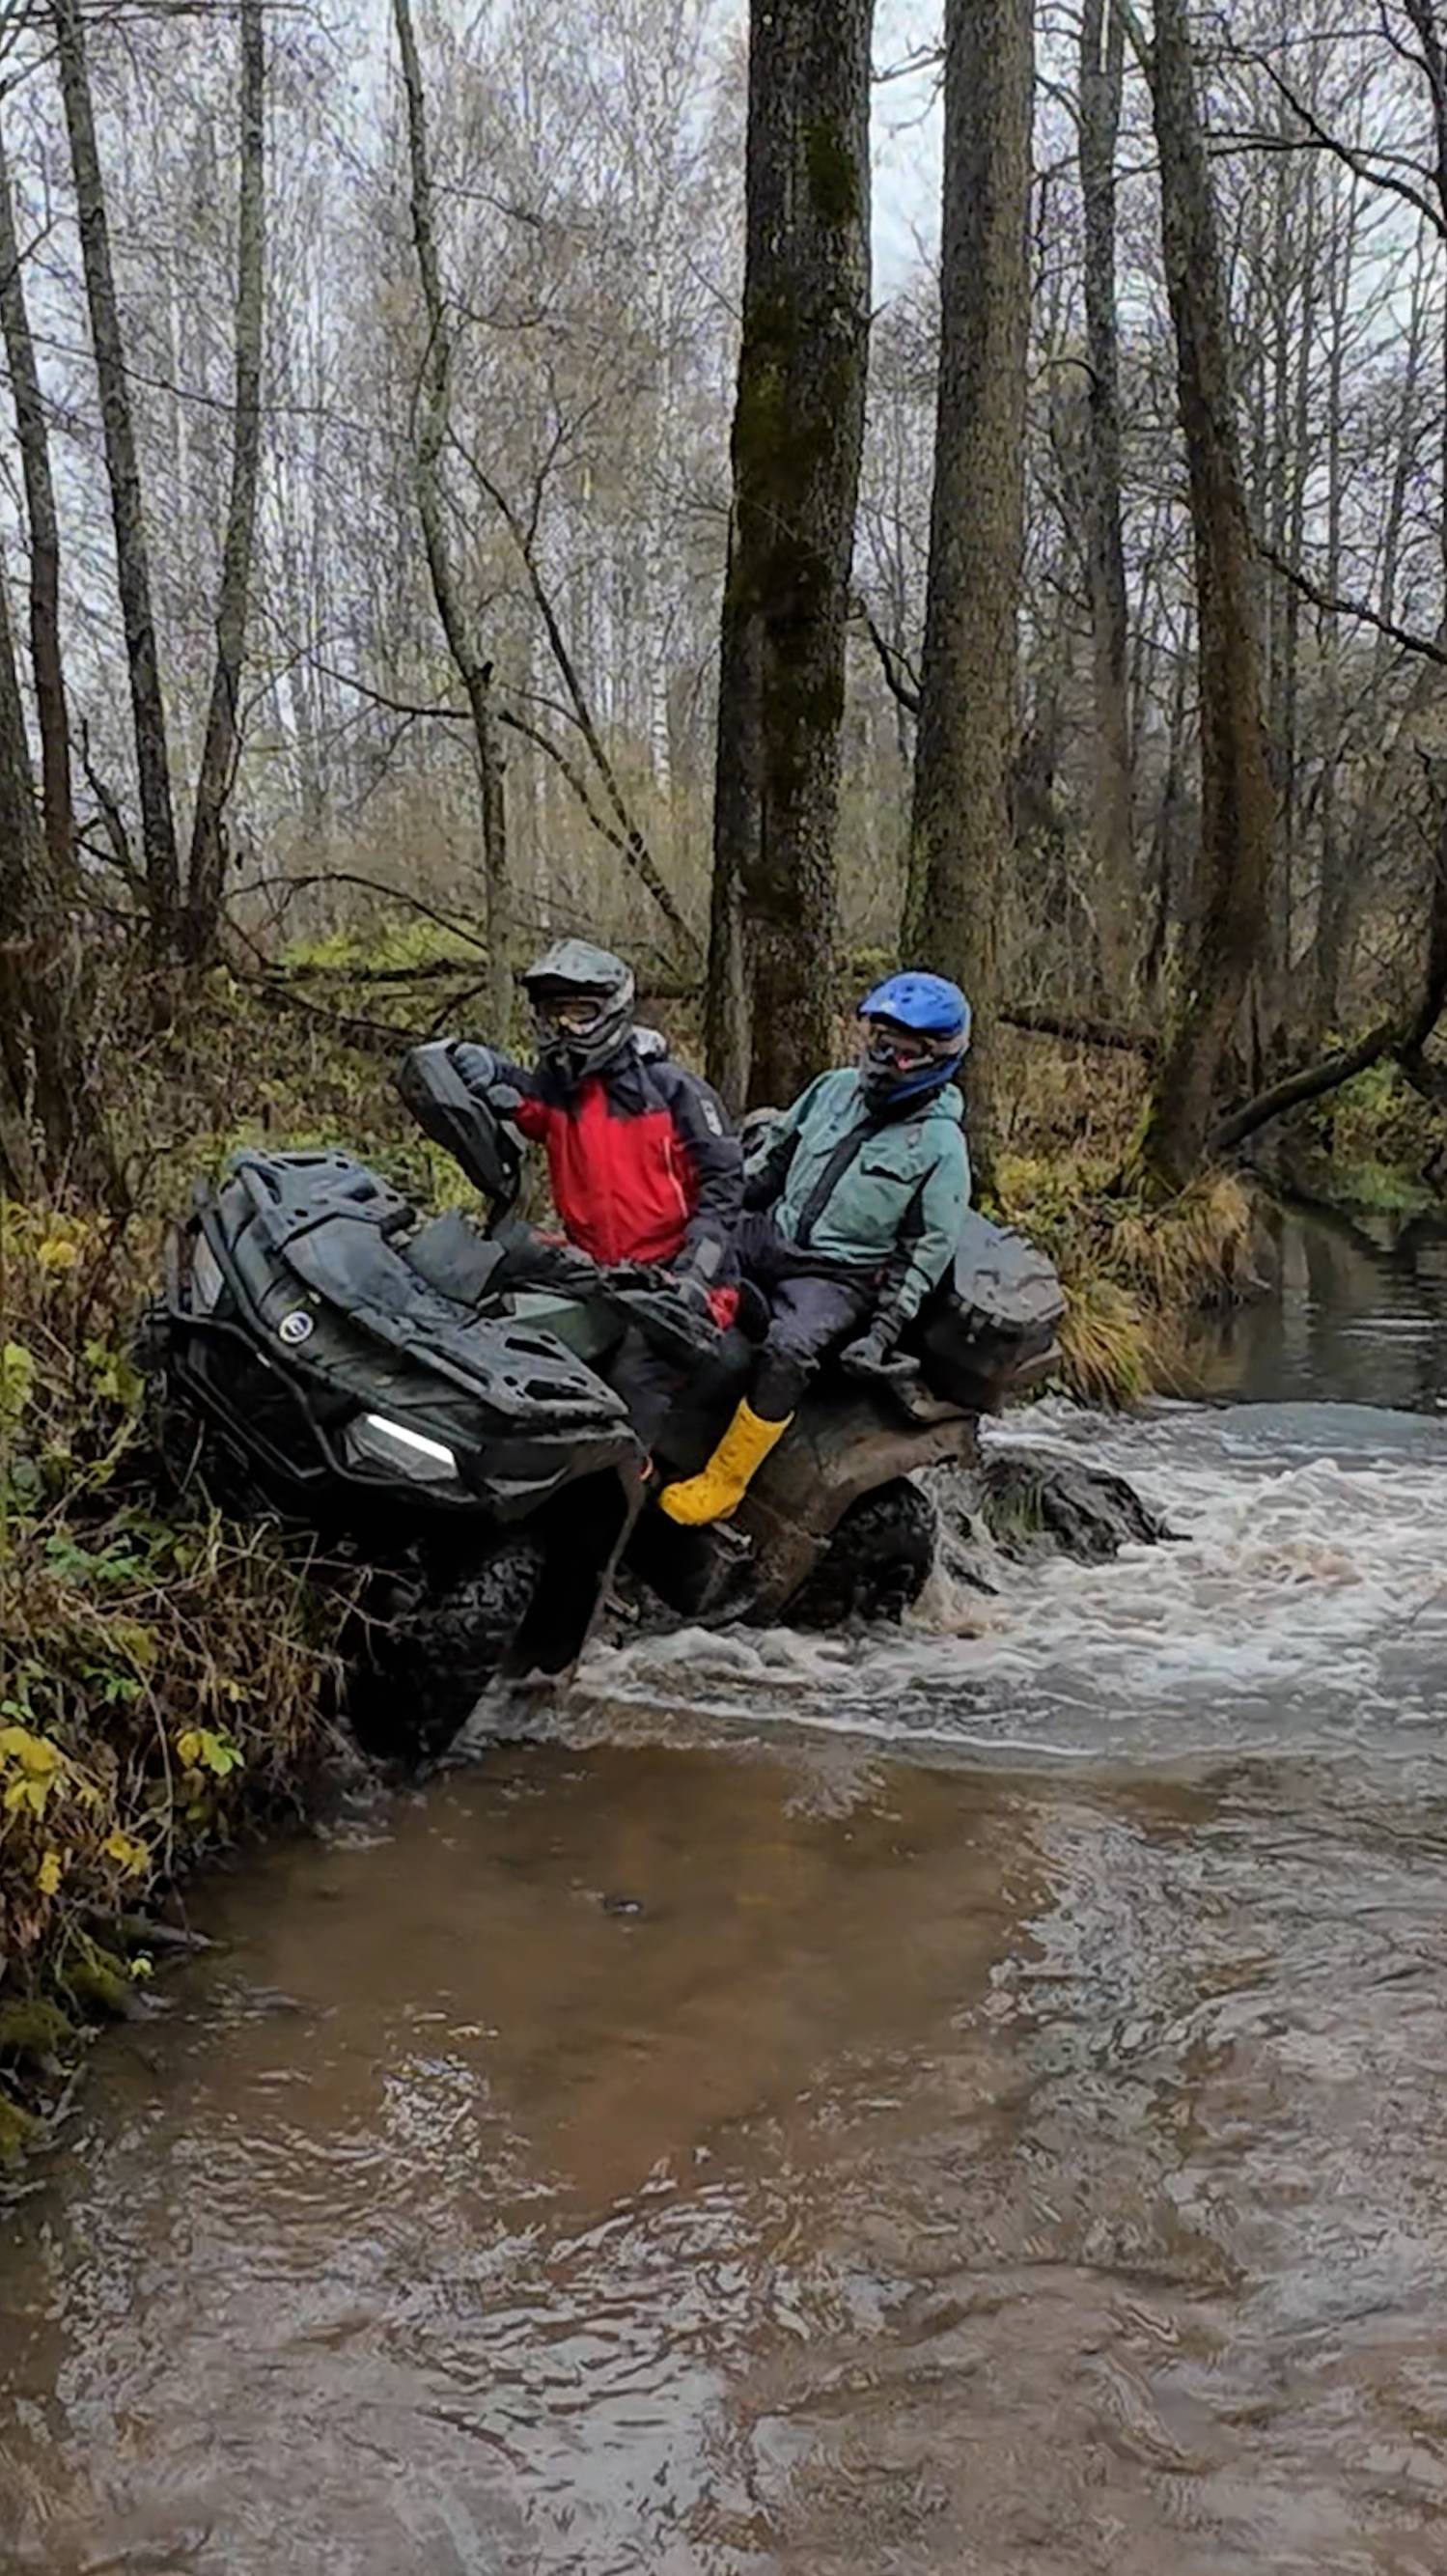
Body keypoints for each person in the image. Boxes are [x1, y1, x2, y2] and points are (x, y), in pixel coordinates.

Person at [660, 971, 971, 1527]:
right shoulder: (831, 1089)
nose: (884, 1060)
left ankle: (725, 1480)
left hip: (837, 1277)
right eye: (878, 1041)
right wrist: (712, 1208)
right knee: (683, 1249)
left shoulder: (942, 1148)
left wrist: (881, 1334)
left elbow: (924, 1252)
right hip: (773, 1234)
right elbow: (772, 1161)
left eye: (903, 1052)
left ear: (937, 1058)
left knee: (787, 1351)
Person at [450, 938, 741, 1445]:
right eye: (553, 1015)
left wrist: (693, 1276)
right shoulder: (560, 1091)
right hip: (597, 1272)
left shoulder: (675, 1092)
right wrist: (488, 1070)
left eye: (580, 1015)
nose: (565, 1030)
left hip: (678, 1283)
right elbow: (528, 1107)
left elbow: (724, 1188)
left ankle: (632, 1506)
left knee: (628, 1393)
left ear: (612, 1013)